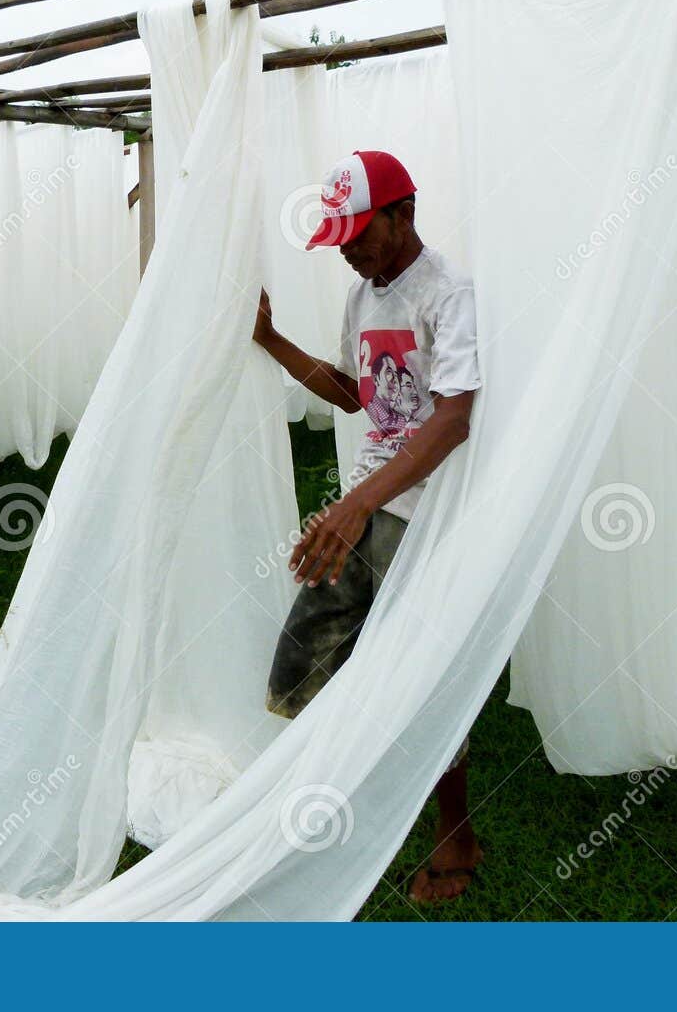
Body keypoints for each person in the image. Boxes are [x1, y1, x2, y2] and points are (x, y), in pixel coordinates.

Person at [253, 149, 482, 902]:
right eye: (340, 239)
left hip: (429, 510)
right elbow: (357, 396)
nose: (349, 251)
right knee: (304, 655)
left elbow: (452, 419)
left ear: (404, 213)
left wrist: (354, 506)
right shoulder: (363, 294)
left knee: (417, 672)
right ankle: (332, 803)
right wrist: (271, 339)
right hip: (368, 502)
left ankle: (456, 831)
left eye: (359, 234)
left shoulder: (449, 293)